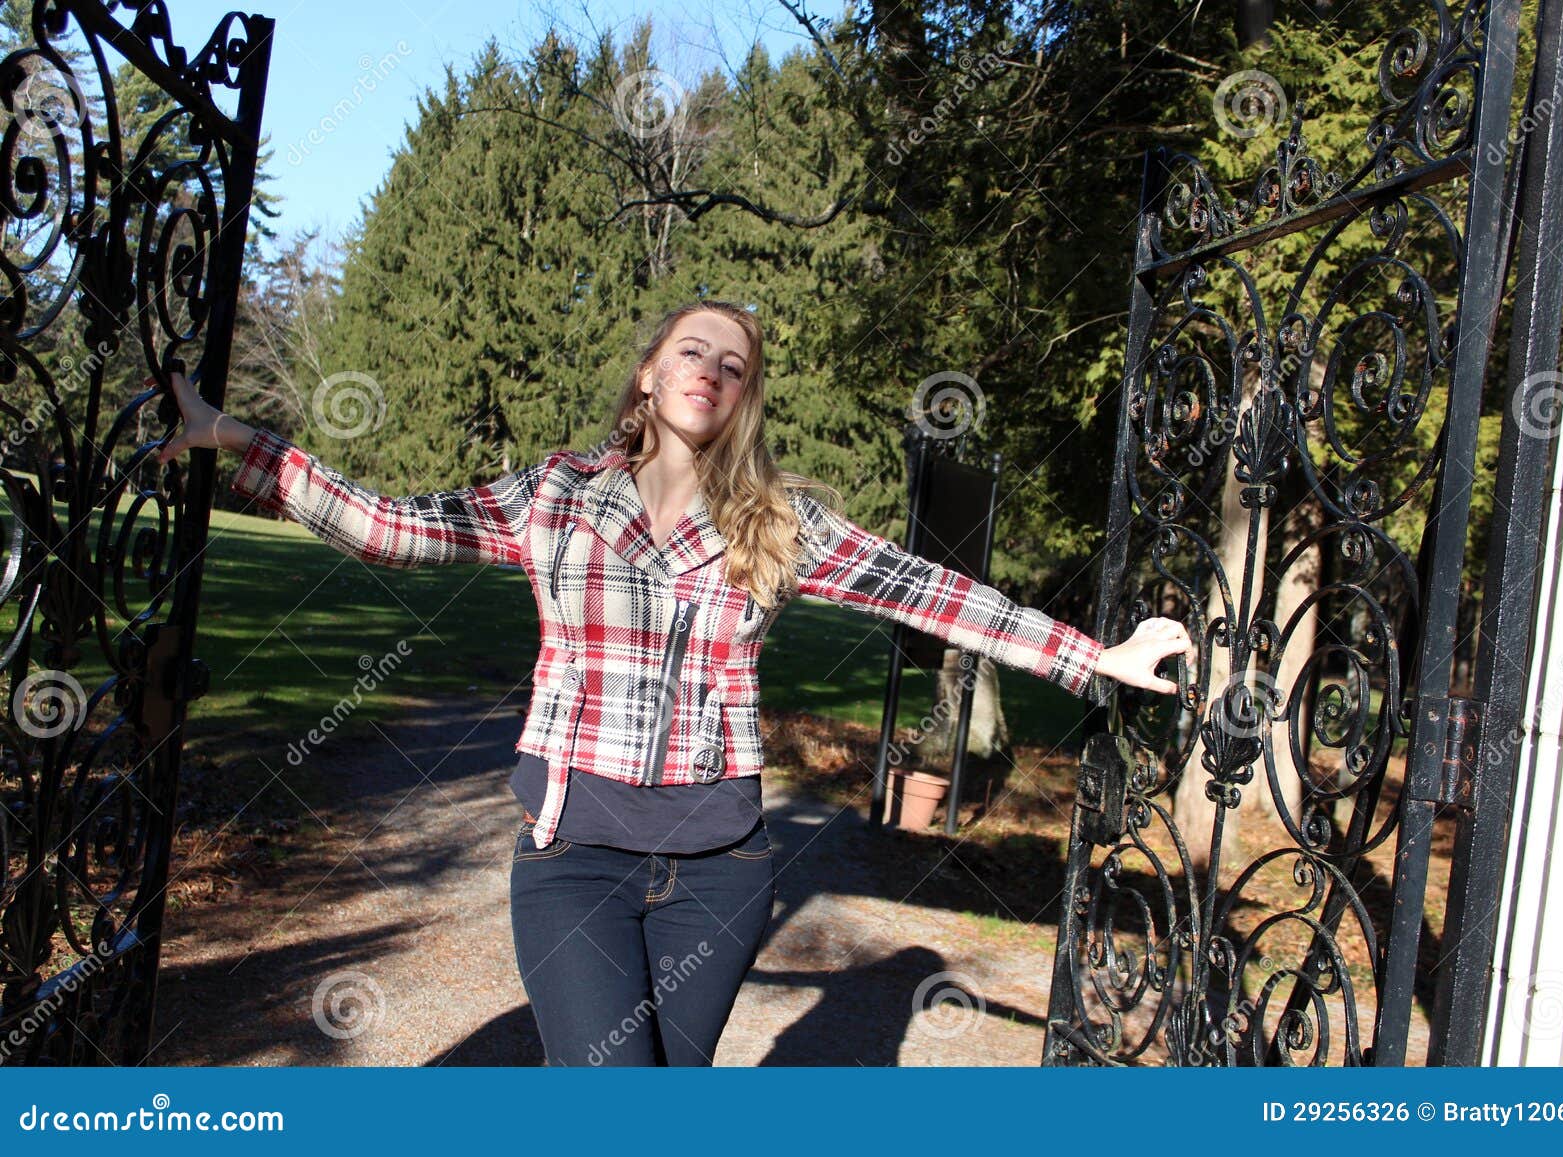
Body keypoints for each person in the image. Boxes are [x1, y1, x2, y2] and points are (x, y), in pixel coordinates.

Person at [158, 299, 1194, 1066]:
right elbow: (390, 526)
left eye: (733, 364)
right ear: (649, 371)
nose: (710, 368)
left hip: (721, 870)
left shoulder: (781, 519)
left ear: (744, 399)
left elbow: (929, 592)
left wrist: (1091, 657)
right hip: (576, 860)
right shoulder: (555, 494)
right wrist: (236, 440)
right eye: (691, 348)